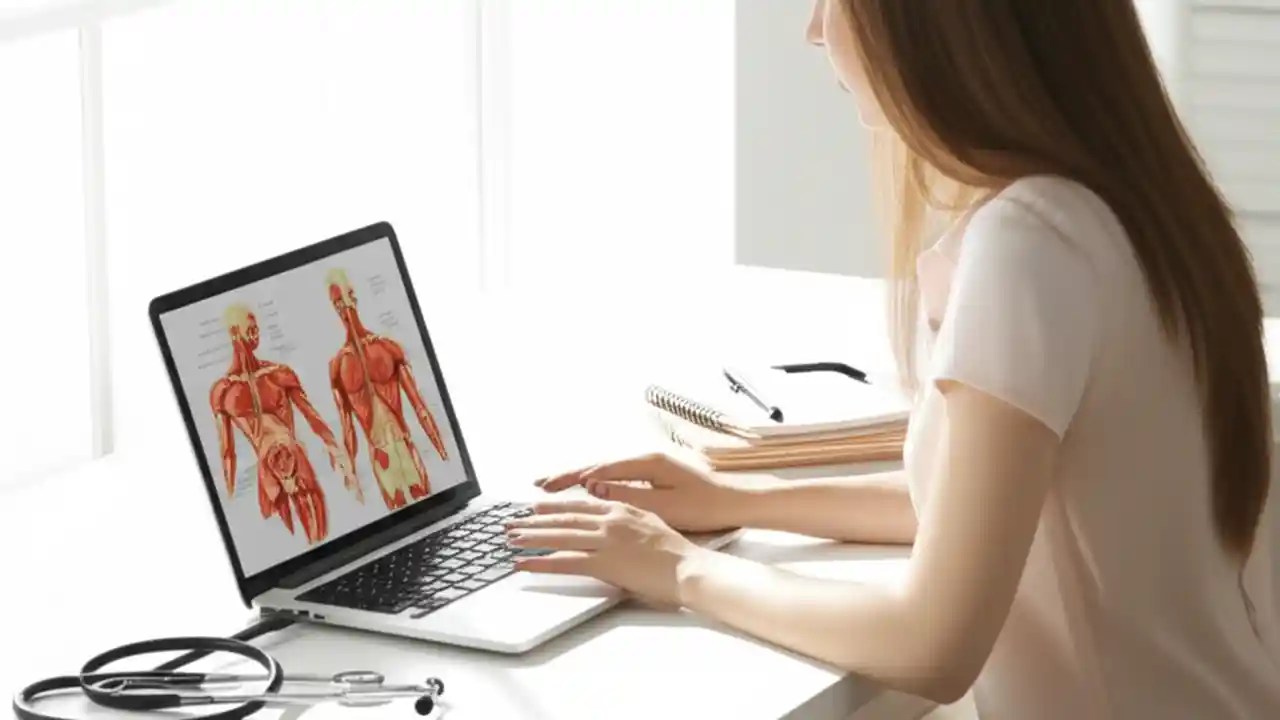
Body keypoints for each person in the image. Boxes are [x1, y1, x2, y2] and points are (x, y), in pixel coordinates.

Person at [508, 1, 1280, 718]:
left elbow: (933, 644)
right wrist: (740, 499)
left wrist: (679, 570)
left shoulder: (1034, 246)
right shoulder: (1132, 214)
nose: (815, 31)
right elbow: (977, 511)